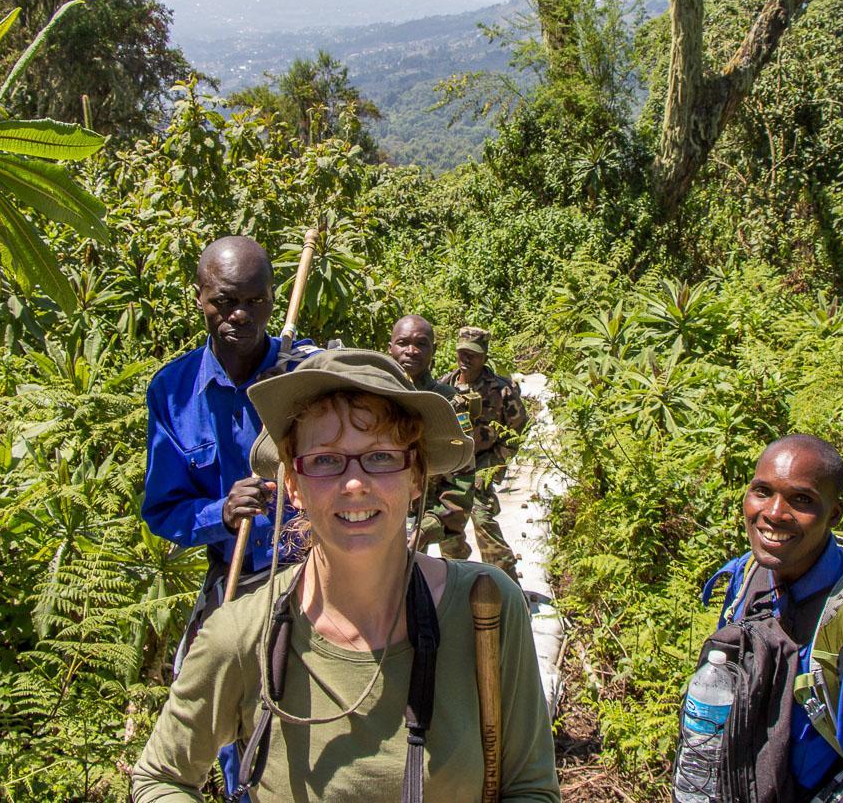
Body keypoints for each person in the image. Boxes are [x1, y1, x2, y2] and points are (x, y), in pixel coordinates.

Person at [131, 349, 559, 802]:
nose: (354, 482)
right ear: (291, 485)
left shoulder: (487, 609)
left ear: (416, 476)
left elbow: (529, 787)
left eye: (379, 456)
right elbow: (161, 778)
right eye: (325, 461)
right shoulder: (243, 634)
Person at [141, 235, 311, 796]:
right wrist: (221, 511)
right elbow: (164, 511)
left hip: (313, 571)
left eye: (255, 301)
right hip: (236, 579)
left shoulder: (303, 373)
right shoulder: (172, 390)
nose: (240, 315)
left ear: (271, 299)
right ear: (200, 298)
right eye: (224, 301)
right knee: (231, 704)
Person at [700, 435, 843, 802]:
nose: (775, 513)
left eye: (802, 500)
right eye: (762, 491)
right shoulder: (748, 575)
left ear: (834, 513)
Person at [439, 326, 526, 583]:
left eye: (472, 355)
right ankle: (457, 582)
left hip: (482, 465)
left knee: (483, 518)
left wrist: (492, 467)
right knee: (448, 527)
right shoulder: (444, 386)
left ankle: (506, 583)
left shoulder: (502, 390)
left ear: (484, 357)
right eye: (462, 353)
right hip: (451, 468)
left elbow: (516, 432)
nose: (466, 359)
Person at [387, 314, 475, 554]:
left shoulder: (449, 403)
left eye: (421, 344)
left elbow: (462, 473)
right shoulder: (375, 398)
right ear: (390, 348)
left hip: (424, 518)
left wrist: (430, 524)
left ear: (433, 349)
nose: (412, 351)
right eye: (403, 343)